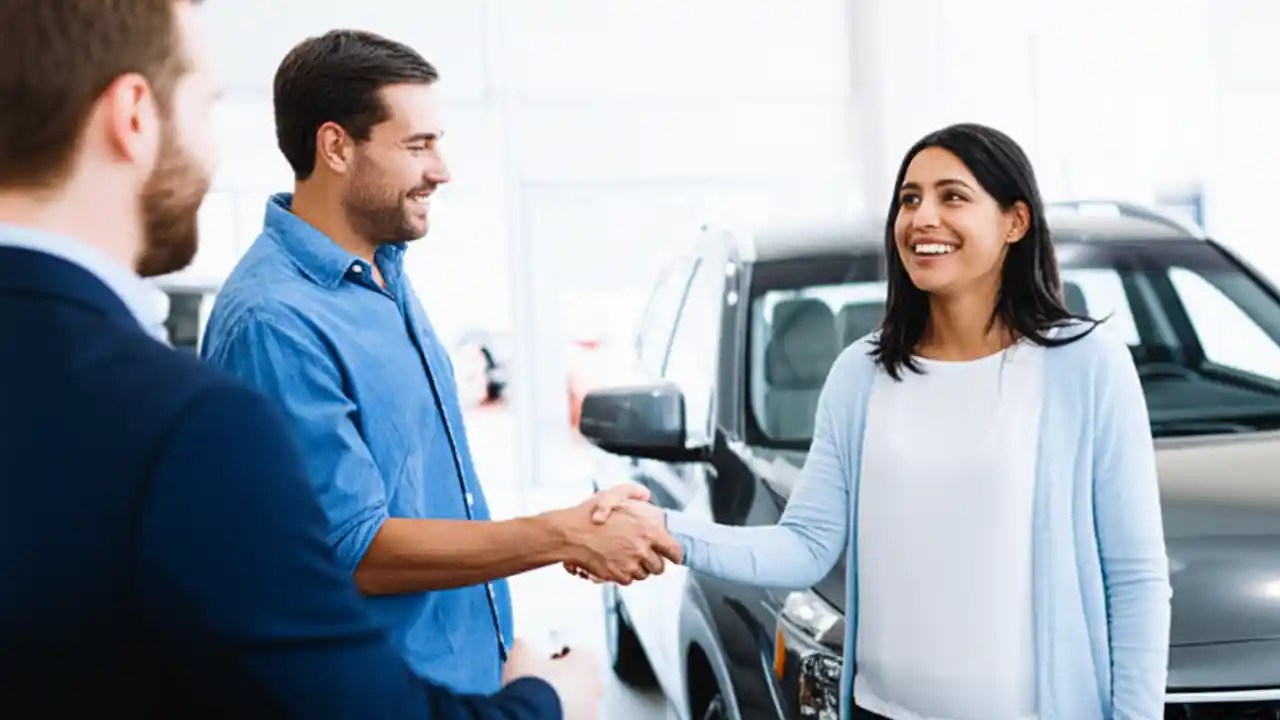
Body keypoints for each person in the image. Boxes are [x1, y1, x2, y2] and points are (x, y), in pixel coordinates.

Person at [0, 1, 598, 717]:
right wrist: (545, 698)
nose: (441, 169)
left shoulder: (388, 279)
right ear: (134, 114)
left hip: (470, 665)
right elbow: (346, 583)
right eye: (206, 104)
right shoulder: (226, 374)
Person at [594, 123, 1172, 719]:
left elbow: (1135, 579)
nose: (922, 217)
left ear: (1014, 222)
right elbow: (805, 546)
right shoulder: (862, 374)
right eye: (909, 198)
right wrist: (663, 528)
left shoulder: (1084, 364)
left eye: (953, 196)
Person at [200, 28, 682, 695]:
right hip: (380, 695)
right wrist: (563, 536)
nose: (442, 169)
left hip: (464, 677)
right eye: (417, 144)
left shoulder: (383, 272)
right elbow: (358, 552)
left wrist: (501, 644)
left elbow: (427, 493)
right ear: (336, 146)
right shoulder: (274, 322)